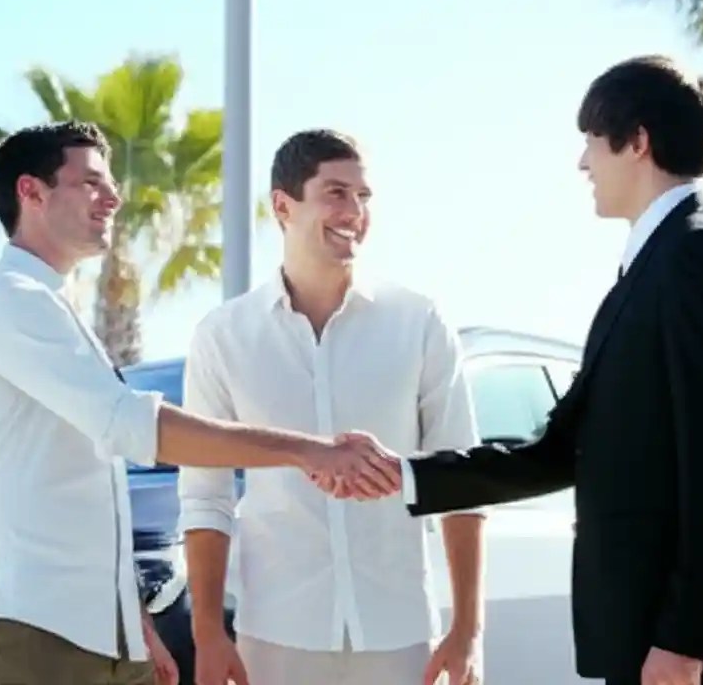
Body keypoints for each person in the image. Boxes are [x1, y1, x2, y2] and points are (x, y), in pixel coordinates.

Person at [321, 56, 703, 685]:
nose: (583, 163)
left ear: (637, 142)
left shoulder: (700, 255)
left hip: (682, 658)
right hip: (644, 645)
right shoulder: (653, 267)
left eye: (592, 142)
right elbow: (559, 452)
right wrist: (402, 474)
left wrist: (686, 642)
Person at [0, 120, 402, 685]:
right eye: (89, 182)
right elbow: (133, 426)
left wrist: (132, 622)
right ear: (31, 191)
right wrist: (310, 452)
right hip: (30, 634)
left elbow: (85, 492)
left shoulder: (53, 310)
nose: (112, 197)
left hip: (98, 637)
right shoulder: (5, 299)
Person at [178, 129, 486, 685]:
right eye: (336, 193)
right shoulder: (224, 336)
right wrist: (207, 634)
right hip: (273, 636)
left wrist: (467, 629)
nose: (355, 212)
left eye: (364, 197)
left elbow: (462, 480)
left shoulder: (418, 322)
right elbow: (205, 498)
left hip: (399, 634)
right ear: (282, 206)